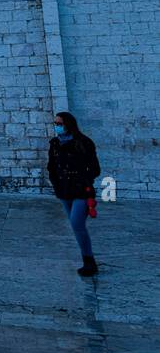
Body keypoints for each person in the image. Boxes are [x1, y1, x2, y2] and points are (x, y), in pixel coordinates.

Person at [47, 110, 102, 277]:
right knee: (75, 225)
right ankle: (87, 259)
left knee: (77, 223)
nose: (57, 127)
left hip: (81, 190)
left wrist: (82, 180)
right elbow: (51, 167)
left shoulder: (84, 142)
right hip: (63, 190)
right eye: (55, 124)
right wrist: (56, 183)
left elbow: (95, 168)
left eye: (59, 124)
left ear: (68, 124)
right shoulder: (55, 143)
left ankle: (89, 261)